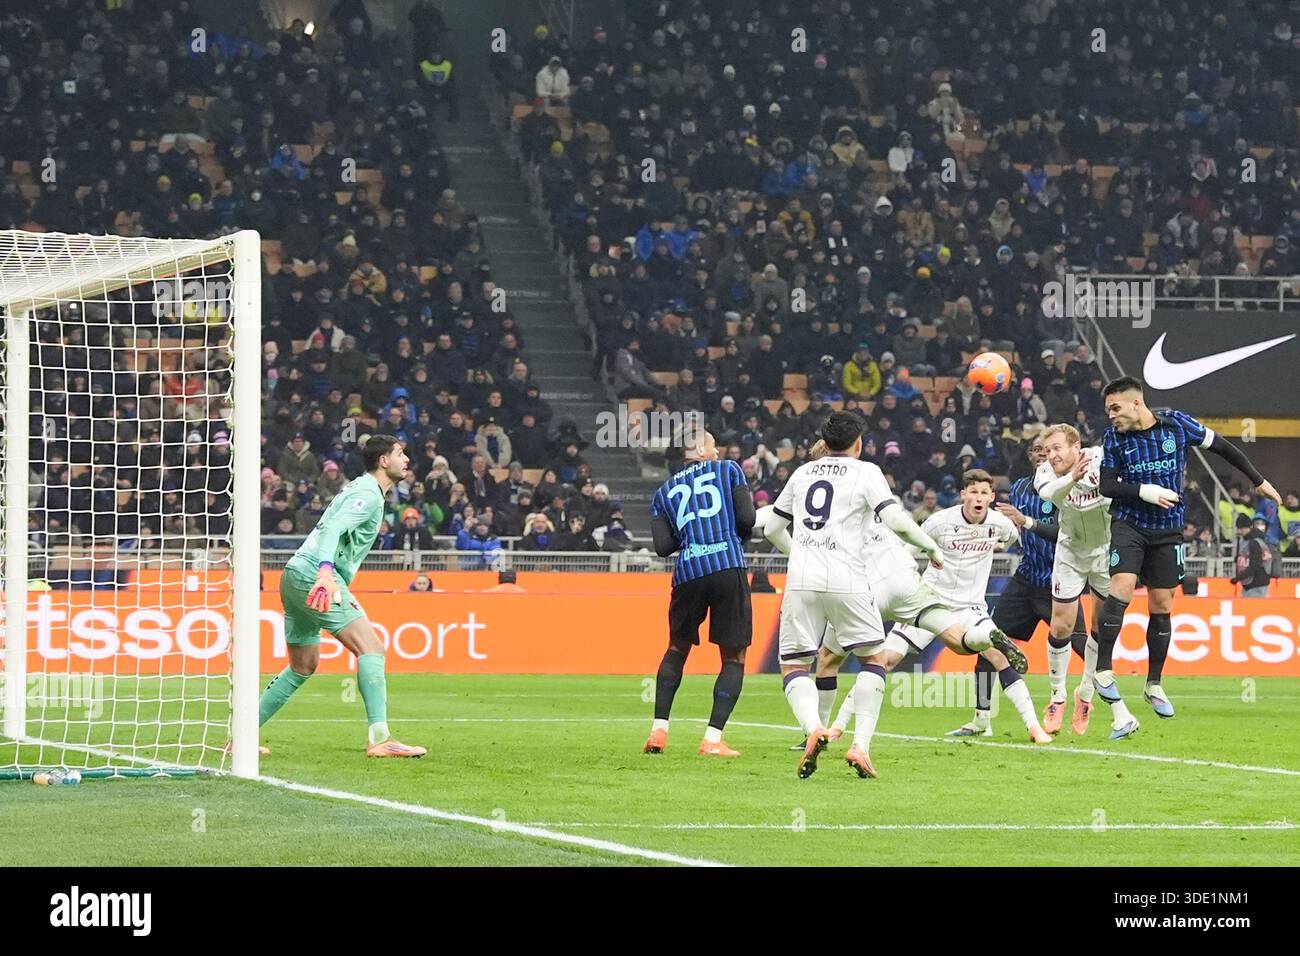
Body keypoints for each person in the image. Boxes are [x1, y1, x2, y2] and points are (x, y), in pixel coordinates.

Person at [1094, 377, 1282, 720]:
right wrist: (1144, 491)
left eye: (1116, 408)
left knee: (1162, 602)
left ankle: (1153, 683)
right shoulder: (1113, 440)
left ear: (1137, 403)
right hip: (1130, 524)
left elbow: (1223, 447)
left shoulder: (1178, 424)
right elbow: (1107, 485)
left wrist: (1259, 481)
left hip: (1167, 531)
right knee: (1120, 587)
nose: (1111, 416)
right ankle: (1103, 669)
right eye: (1108, 410)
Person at [264, 435, 426, 757]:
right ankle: (380, 739)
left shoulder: (360, 489)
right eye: (400, 454)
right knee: (372, 648)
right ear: (383, 461)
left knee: (302, 666)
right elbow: (334, 528)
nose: (406, 460)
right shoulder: (367, 493)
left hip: (295, 572)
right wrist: (325, 573)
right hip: (315, 573)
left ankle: (238, 737)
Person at [949, 435, 1089, 738]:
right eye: (1038, 450)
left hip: (1059, 581)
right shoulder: (1021, 489)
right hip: (1025, 580)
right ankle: (981, 719)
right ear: (1029, 455)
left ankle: (1100, 697)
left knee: (1086, 648)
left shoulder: (1072, 488)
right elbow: (1011, 530)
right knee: (986, 644)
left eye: (1050, 450)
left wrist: (1026, 522)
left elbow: (1067, 534)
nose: (1044, 455)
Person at [644, 426, 755, 758]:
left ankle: (658, 731)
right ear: (702, 451)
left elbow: (663, 547)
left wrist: (691, 538)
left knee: (676, 649)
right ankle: (712, 739)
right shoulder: (728, 470)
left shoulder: (663, 492)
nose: (718, 452)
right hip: (727, 566)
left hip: (687, 574)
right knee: (733, 657)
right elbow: (747, 518)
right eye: (713, 446)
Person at [1231, 514, 1274, 597]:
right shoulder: (1245, 540)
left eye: (1242, 528)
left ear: (1249, 527)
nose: (1239, 531)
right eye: (1238, 528)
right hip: (1251, 584)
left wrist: (1238, 578)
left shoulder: (1254, 542)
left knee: (1253, 608)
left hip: (1257, 583)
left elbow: (1255, 566)